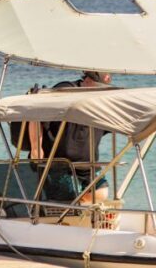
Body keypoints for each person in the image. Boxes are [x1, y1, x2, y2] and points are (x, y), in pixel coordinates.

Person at [28, 71, 112, 204]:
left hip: (88, 168)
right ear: (88, 81)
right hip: (60, 166)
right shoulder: (66, 90)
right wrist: (35, 147)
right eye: (99, 88)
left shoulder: (100, 102)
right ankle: (70, 210)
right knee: (68, 195)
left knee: (101, 192)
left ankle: (79, 207)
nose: (102, 93)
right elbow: (36, 112)